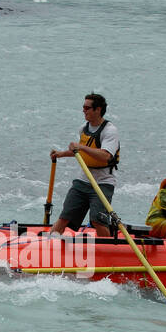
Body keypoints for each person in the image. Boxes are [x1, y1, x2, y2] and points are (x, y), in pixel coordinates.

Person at [50, 94, 120, 239]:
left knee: (97, 221)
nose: (84, 110)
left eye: (87, 108)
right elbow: (80, 152)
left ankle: (106, 251)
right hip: (83, 180)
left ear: (98, 110)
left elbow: (105, 155)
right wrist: (61, 154)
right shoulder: (84, 128)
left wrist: (81, 147)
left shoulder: (109, 131)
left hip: (103, 183)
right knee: (65, 217)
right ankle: (50, 245)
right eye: (83, 107)